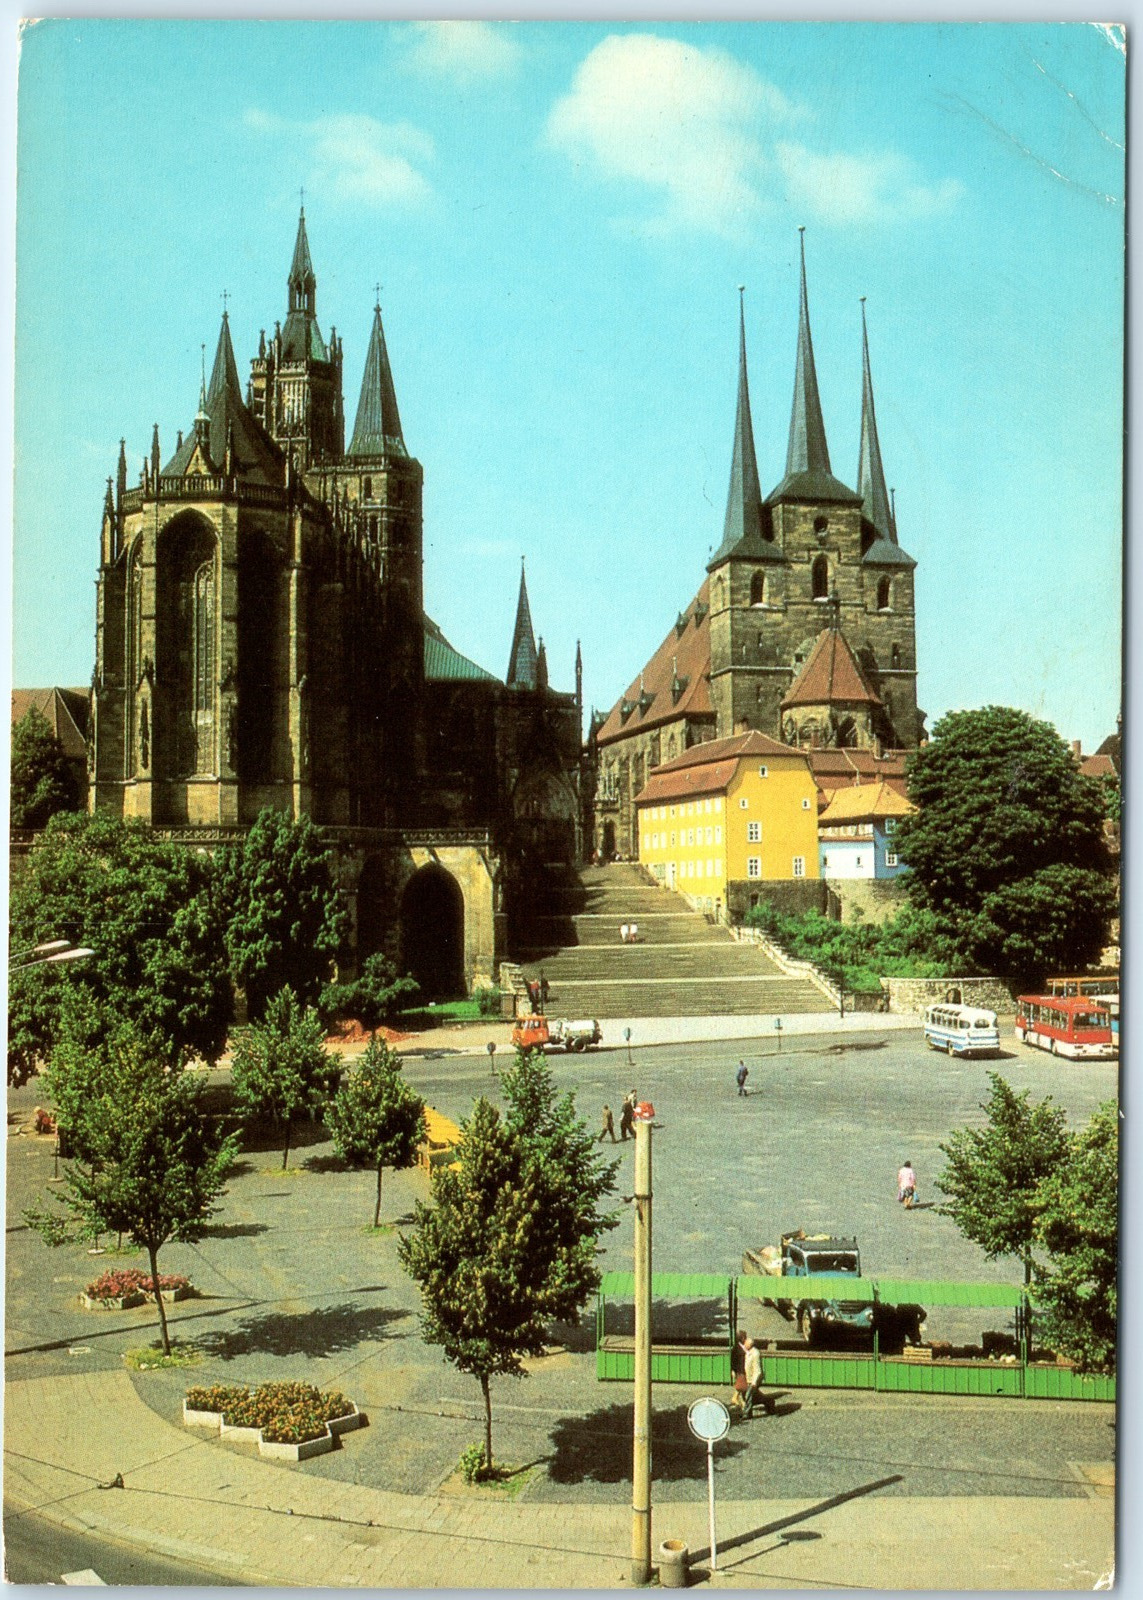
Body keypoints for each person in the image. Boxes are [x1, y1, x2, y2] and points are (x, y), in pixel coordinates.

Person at [741, 1335, 764, 1420]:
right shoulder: (748, 1352)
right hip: (747, 1378)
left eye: (745, 1344)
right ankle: (767, 1401)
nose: (744, 1345)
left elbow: (757, 1369)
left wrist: (754, 1382)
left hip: (752, 1379)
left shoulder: (755, 1354)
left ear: (749, 1345)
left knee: (748, 1396)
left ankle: (747, 1414)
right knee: (749, 1395)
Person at [730, 1329, 749, 1414]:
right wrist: (733, 1370)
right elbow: (733, 1360)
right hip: (740, 1370)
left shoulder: (744, 1346)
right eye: (745, 1337)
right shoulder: (736, 1348)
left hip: (744, 1369)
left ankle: (740, 1400)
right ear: (742, 1338)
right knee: (742, 1386)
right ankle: (737, 1399)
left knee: (742, 1386)